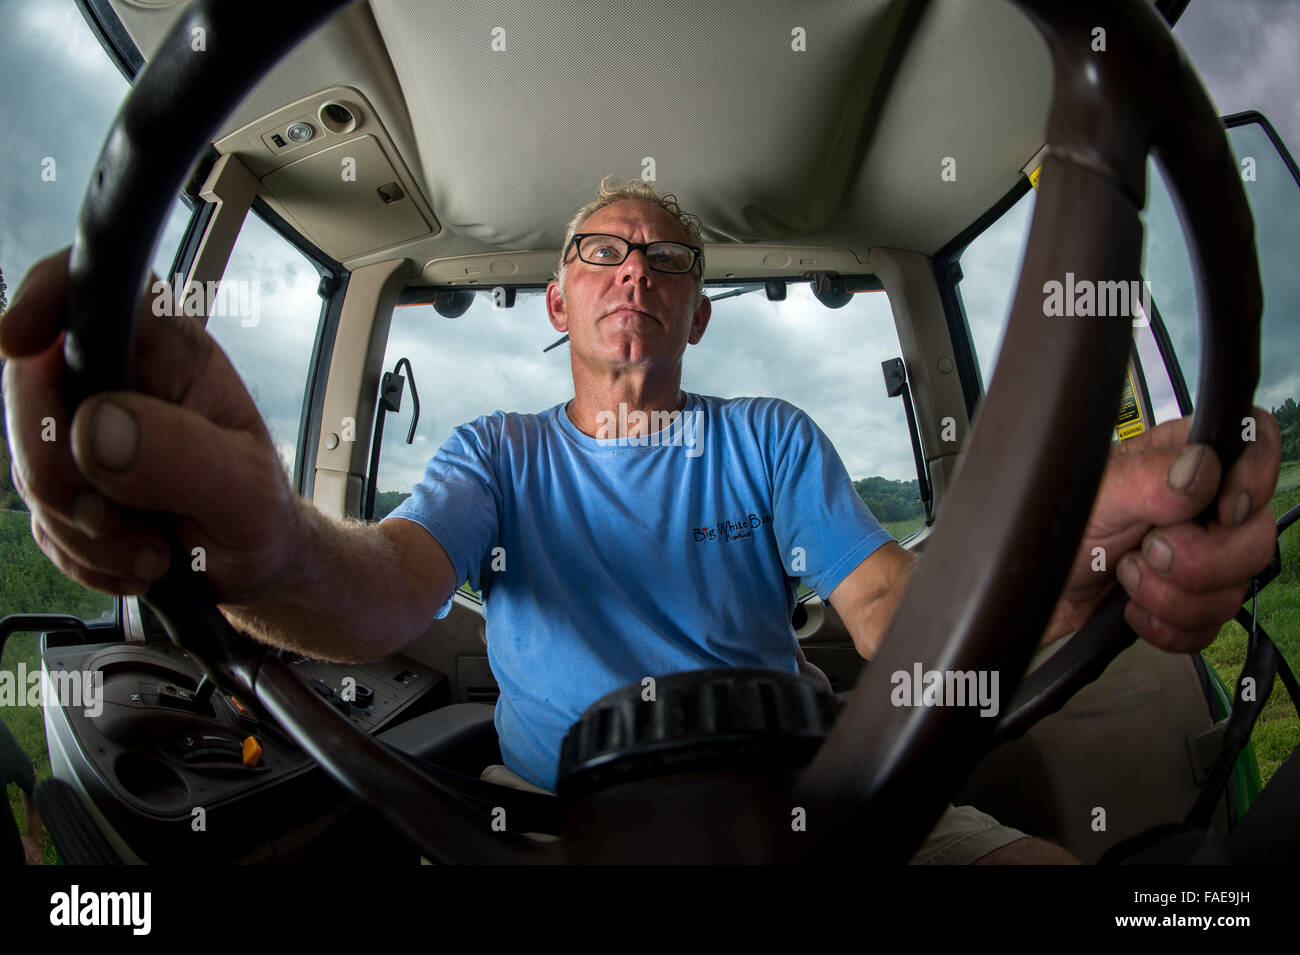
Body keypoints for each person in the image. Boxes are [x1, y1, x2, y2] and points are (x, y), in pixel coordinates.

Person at [0, 179, 1280, 864]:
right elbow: (386, 585)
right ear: (557, 303)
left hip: (812, 797)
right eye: (604, 253)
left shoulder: (769, 437)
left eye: (667, 262)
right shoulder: (493, 453)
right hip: (542, 816)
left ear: (698, 315)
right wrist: (259, 542)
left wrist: (1059, 572)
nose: (635, 273)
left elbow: (894, 612)